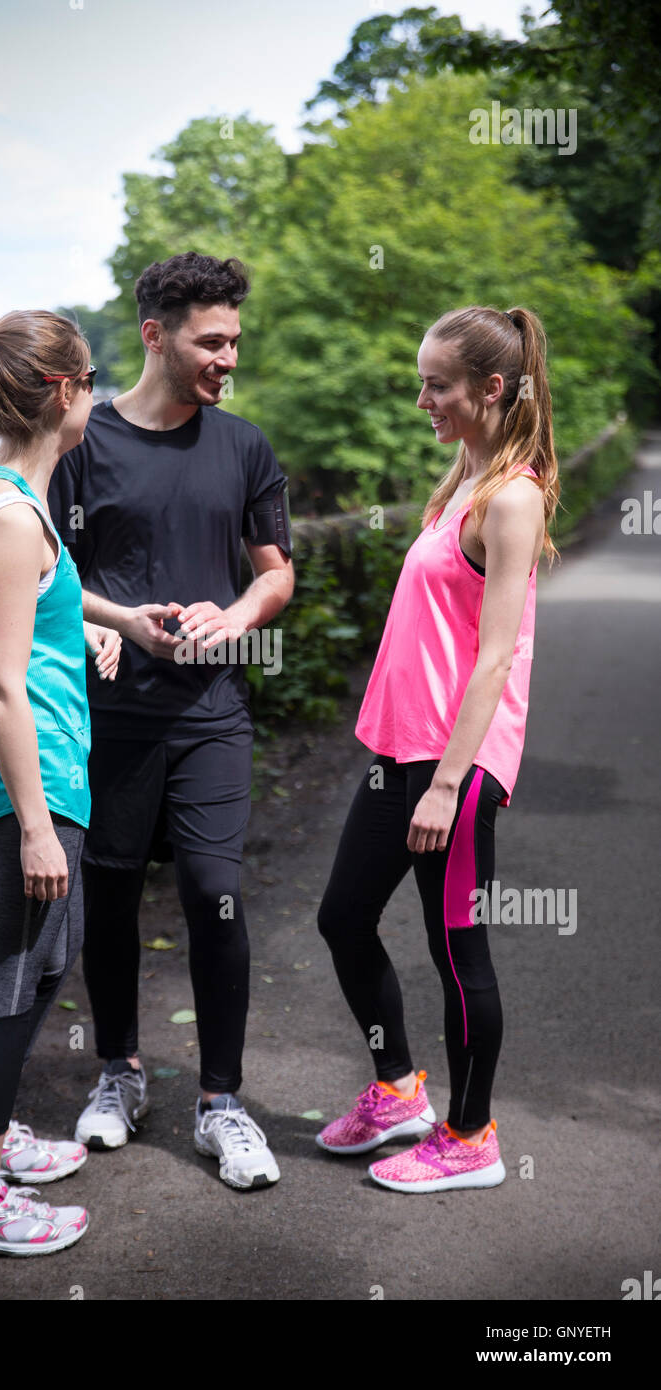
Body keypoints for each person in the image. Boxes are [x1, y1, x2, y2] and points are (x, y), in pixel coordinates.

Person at [48, 252, 294, 1190]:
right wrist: (104, 628)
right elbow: (47, 573)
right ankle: (119, 1072)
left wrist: (237, 615)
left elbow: (275, 569)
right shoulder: (82, 446)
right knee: (105, 896)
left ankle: (222, 1103)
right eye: (212, 340)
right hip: (106, 716)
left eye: (234, 340)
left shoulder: (244, 448)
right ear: (155, 335)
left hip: (210, 712)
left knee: (210, 889)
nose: (228, 356)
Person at [316, 305, 559, 1192]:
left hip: (454, 765)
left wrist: (447, 785)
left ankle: (470, 1136)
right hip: (403, 749)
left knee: (458, 948)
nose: (424, 397)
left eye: (438, 384)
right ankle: (398, 1090)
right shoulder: (464, 474)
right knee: (343, 917)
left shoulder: (515, 496)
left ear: (491, 388)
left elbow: (496, 655)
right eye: (422, 380)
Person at [0, 309, 124, 1261]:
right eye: (92, 379)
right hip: (30, 785)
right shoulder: (9, 516)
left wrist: (89, 627)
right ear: (63, 393)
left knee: (53, 953)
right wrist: (38, 829)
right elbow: (3, 686)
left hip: (53, 772)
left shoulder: (13, 502)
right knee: (5, 980)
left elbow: (25, 622)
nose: (99, 393)